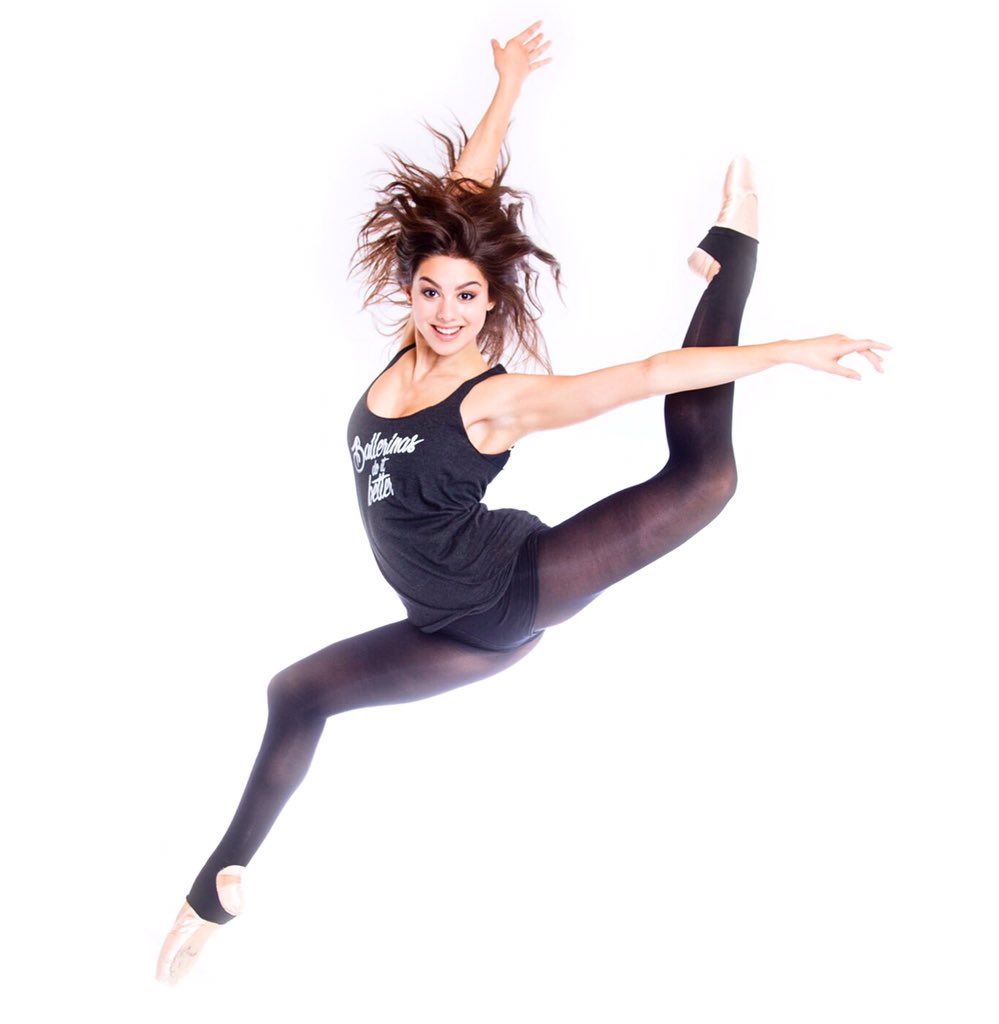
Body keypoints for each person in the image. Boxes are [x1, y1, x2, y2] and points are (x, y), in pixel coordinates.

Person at [156, 21, 888, 983]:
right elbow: (462, 198)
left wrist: (794, 351)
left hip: (507, 592)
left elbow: (649, 374)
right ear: (411, 290)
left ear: (489, 304)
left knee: (706, 478)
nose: (447, 313)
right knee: (296, 693)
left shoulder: (494, 401)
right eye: (431, 292)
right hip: (442, 628)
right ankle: (215, 888)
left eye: (467, 298)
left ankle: (733, 255)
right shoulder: (409, 353)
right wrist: (507, 86)